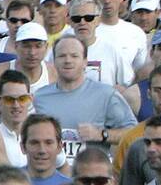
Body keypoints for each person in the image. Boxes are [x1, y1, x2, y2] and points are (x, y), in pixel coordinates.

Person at [33, 36, 137, 165]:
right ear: (53, 61)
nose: (68, 61)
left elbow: (134, 134)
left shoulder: (106, 94)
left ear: (85, 61)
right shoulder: (39, 97)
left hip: (90, 176)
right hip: (51, 174)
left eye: (74, 56)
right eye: (62, 56)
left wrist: (101, 134)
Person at [0, 21, 54, 112]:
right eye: (26, 46)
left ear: (46, 47)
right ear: (16, 46)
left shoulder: (53, 72)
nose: (32, 53)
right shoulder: (0, 71)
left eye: (38, 46)